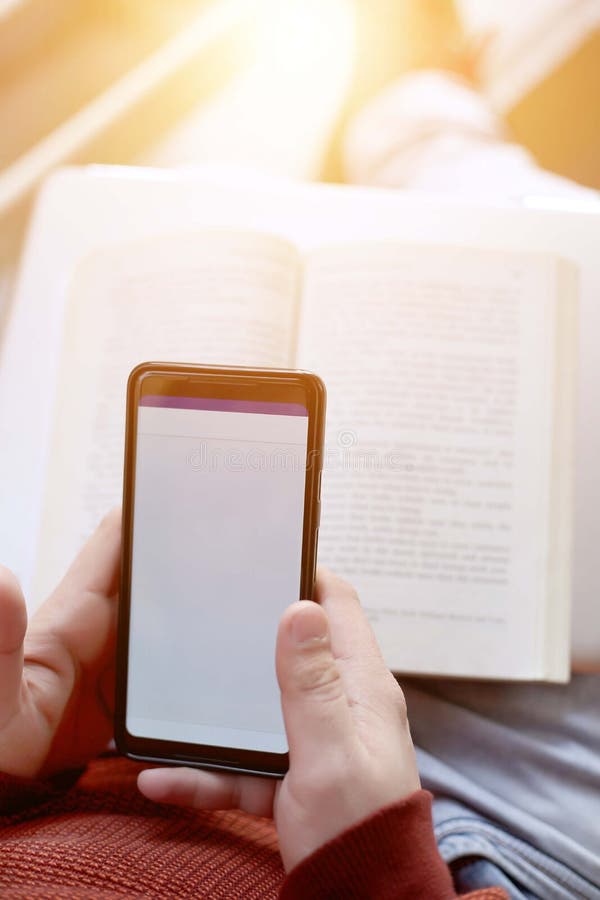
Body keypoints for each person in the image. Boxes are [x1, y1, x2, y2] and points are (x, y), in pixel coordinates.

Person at [0, 510, 505, 898]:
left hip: (87, 775)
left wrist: (13, 778)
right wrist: (380, 868)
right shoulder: (378, 860)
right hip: (376, 839)